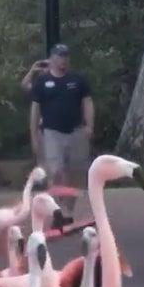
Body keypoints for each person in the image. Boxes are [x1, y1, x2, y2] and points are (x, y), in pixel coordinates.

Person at [29, 44, 93, 187]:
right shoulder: (42, 81)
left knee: (76, 172)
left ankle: (70, 205)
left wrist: (89, 125)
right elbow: (35, 109)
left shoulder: (77, 79)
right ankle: (56, 205)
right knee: (55, 170)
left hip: (76, 131)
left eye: (66, 56)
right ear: (52, 58)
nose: (63, 60)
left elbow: (87, 101)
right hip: (52, 132)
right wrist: (34, 135)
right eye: (60, 56)